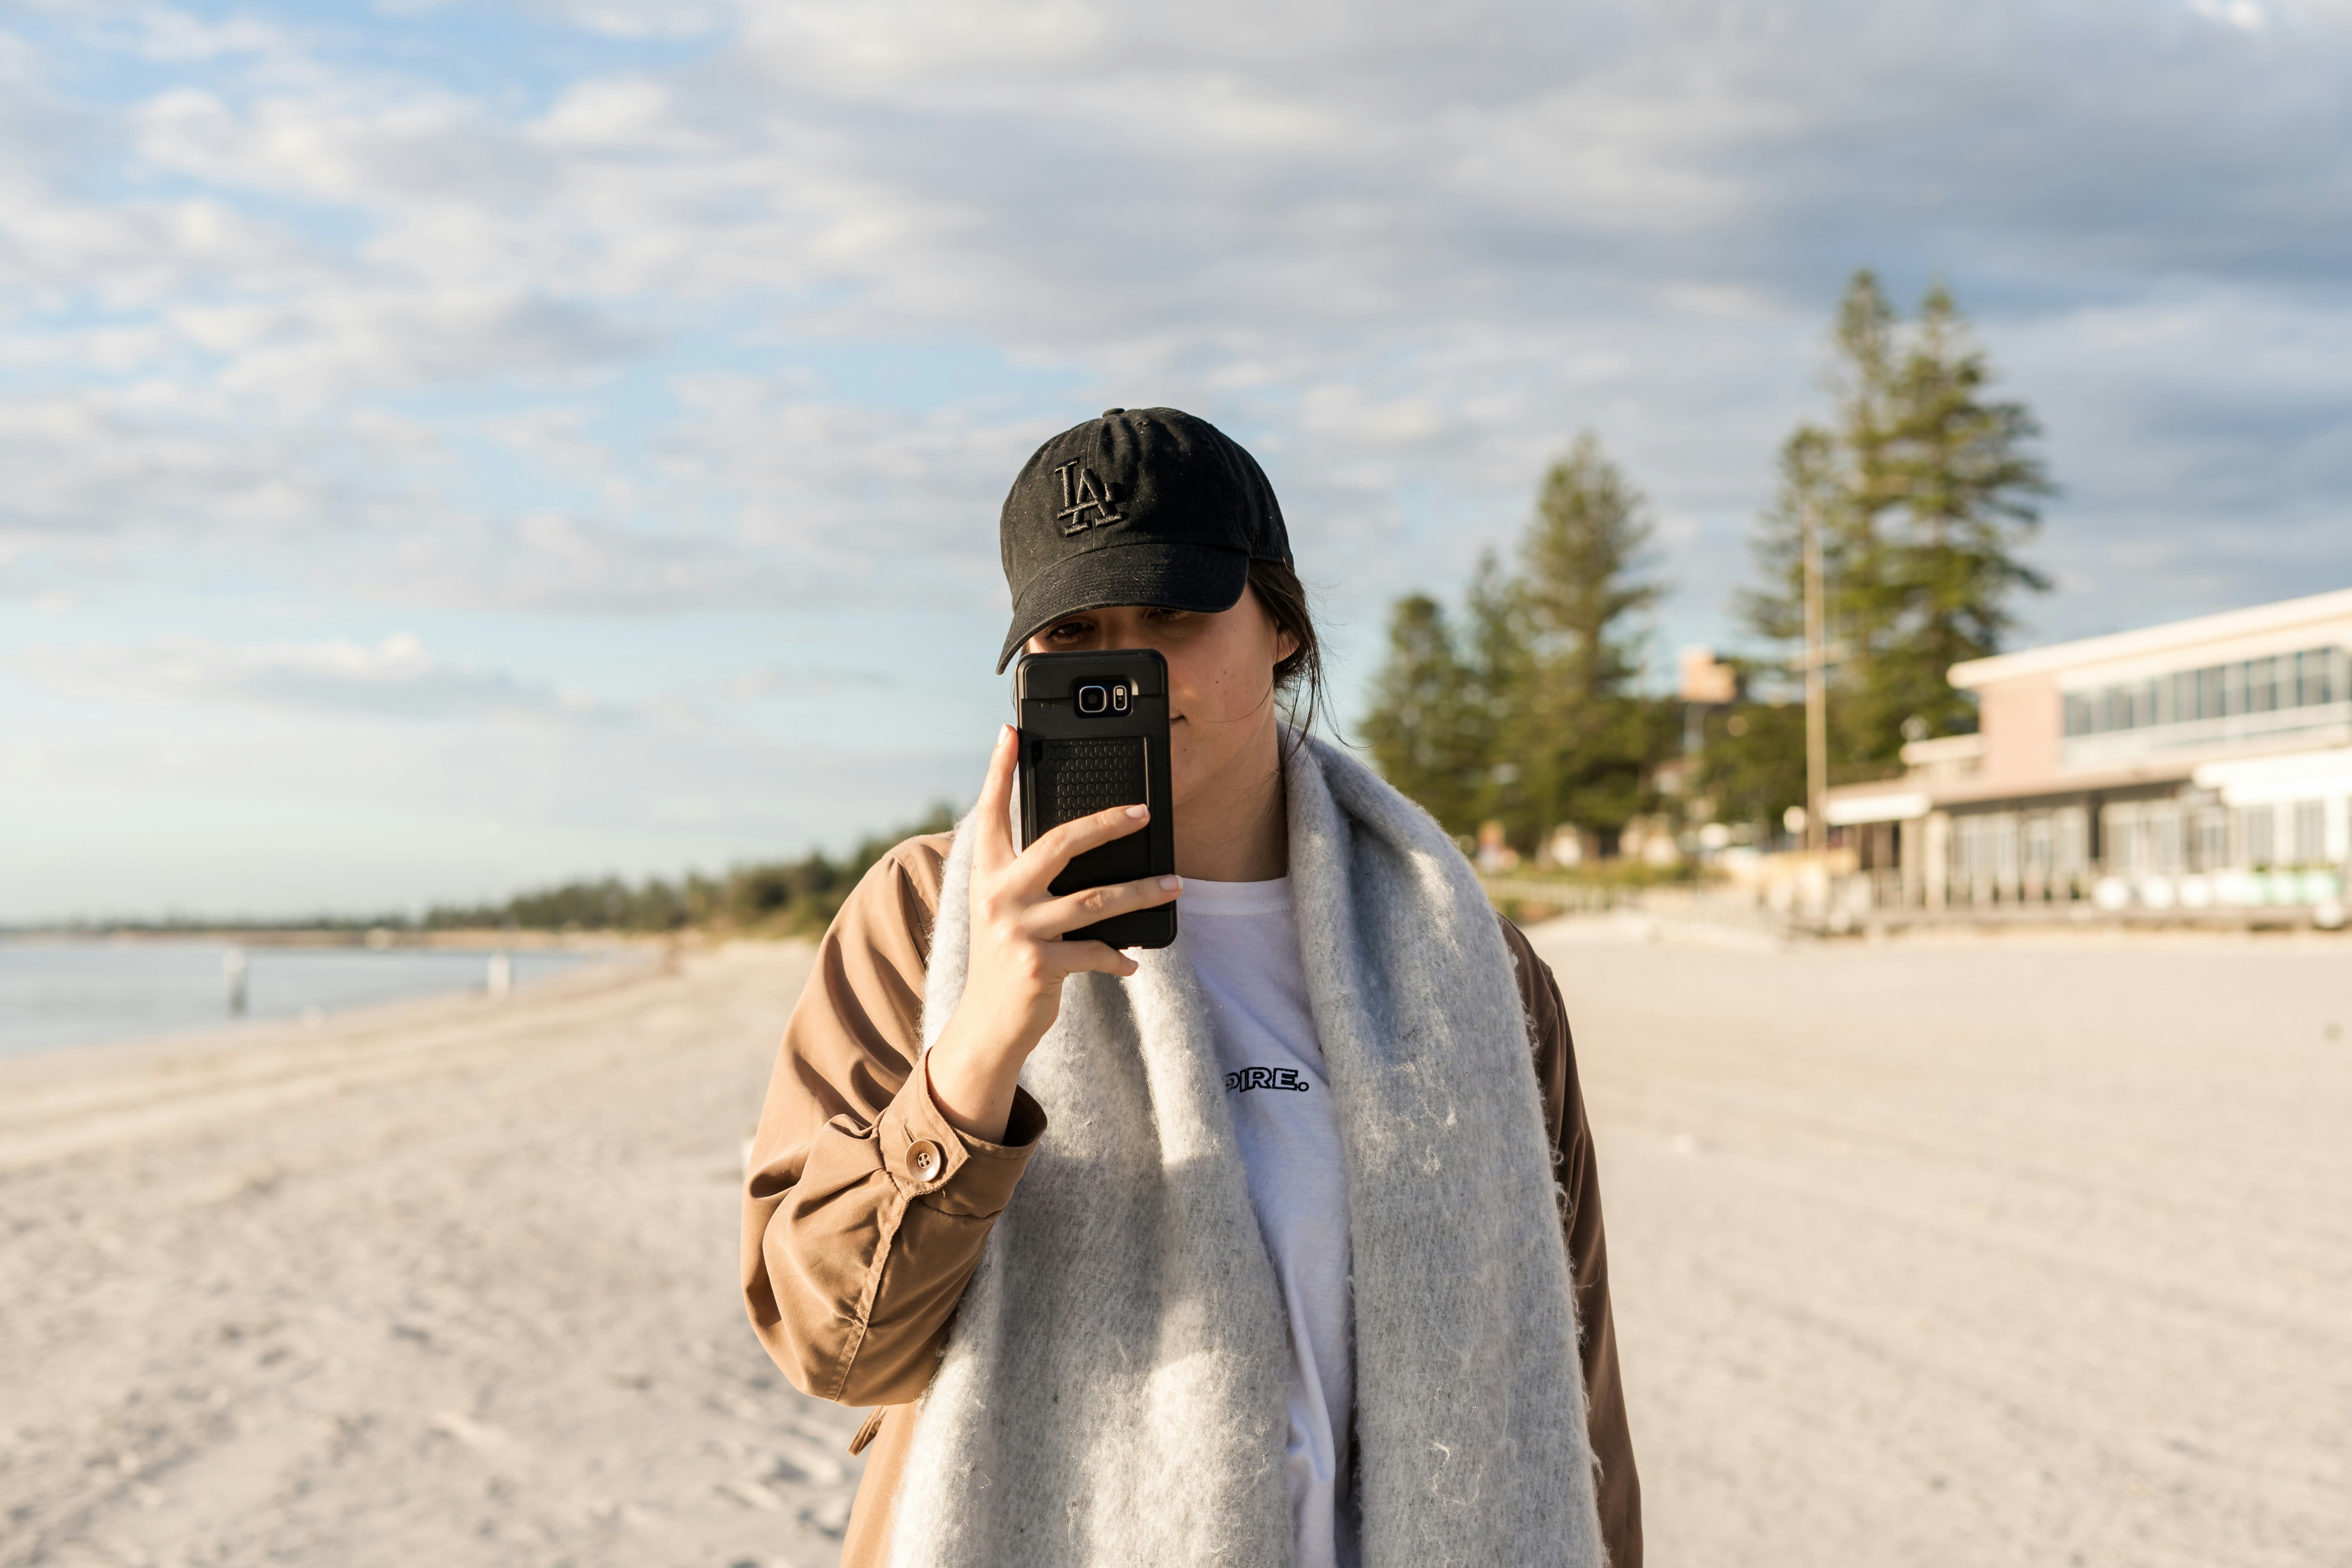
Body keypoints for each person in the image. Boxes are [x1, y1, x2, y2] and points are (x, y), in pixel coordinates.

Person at [741, 408, 1640, 1568]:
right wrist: (976, 1054)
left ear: (1282, 626)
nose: (1129, 663)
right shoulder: (924, 922)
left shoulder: (1469, 960)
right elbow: (833, 1346)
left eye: (1173, 612)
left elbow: (1574, 1396)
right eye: (1079, 630)